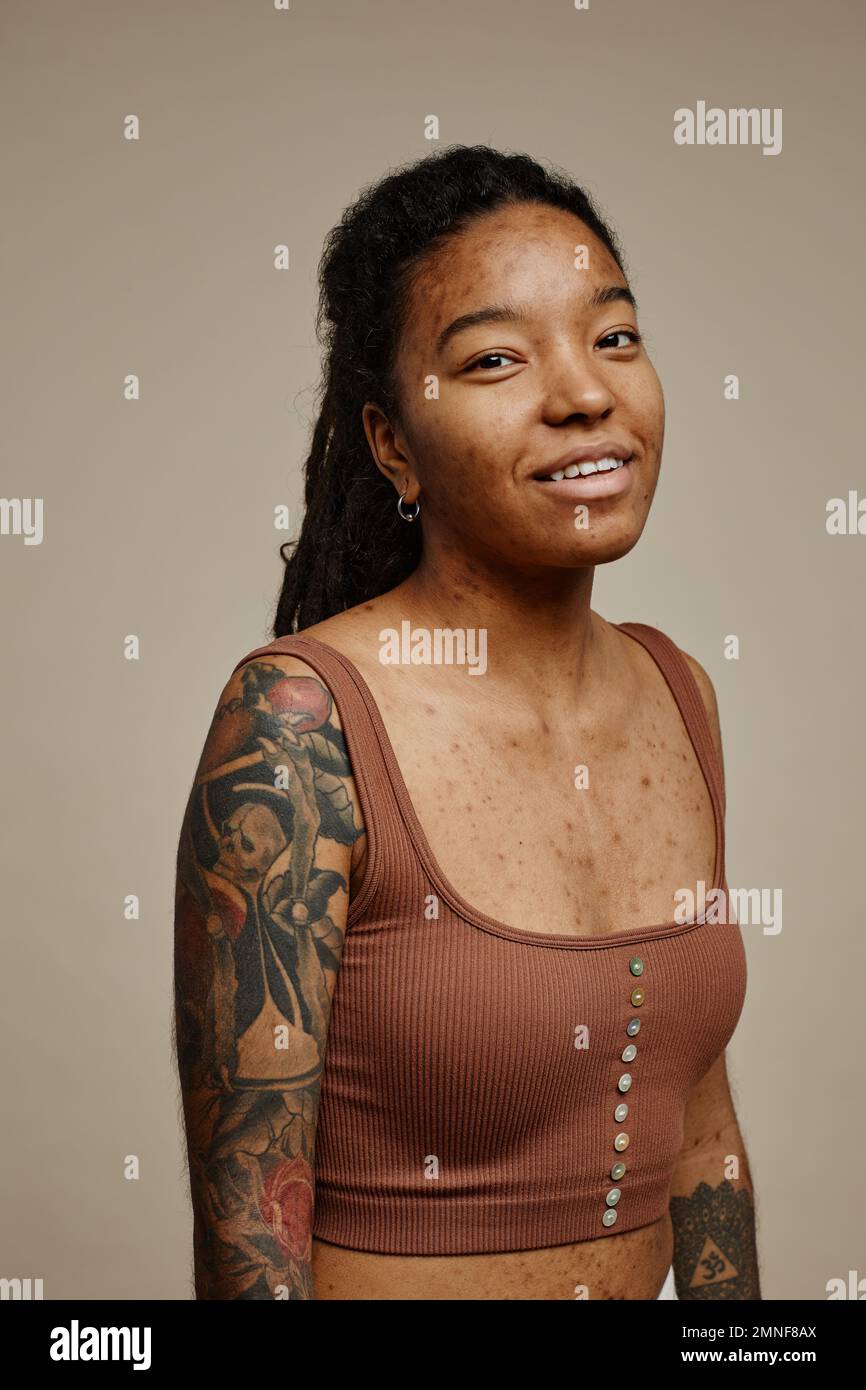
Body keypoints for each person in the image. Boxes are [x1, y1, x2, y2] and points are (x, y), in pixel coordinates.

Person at [173, 144, 760, 1301]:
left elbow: (696, 1128)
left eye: (614, 336)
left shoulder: (677, 693)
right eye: (494, 357)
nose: (583, 392)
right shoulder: (299, 721)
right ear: (393, 443)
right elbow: (252, 1234)